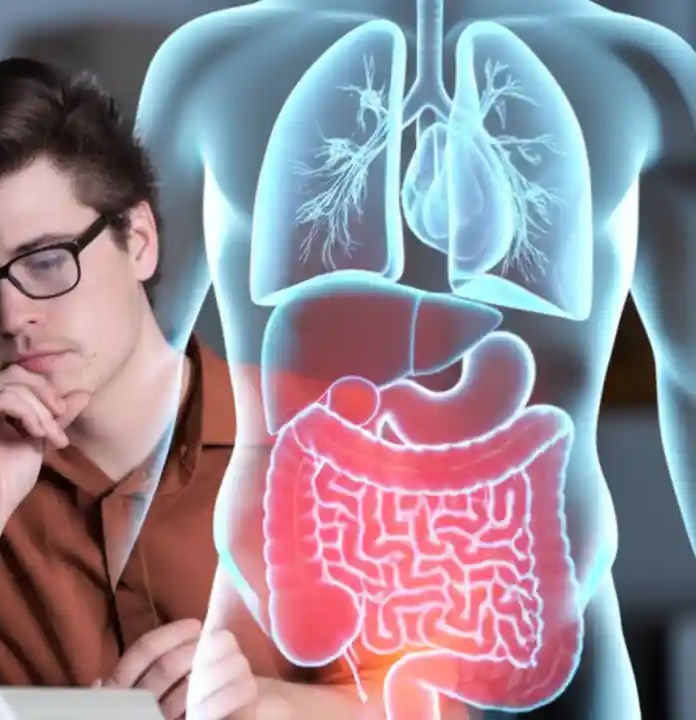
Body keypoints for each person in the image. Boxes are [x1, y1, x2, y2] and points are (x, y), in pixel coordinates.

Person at [133, 1, 695, 719]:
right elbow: (131, 381)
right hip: (281, 651)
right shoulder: (207, 65)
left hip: (544, 633)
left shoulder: (644, 72)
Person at [0, 57, 401, 720]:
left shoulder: (337, 441)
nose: (10, 316)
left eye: (46, 260)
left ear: (138, 240)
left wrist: (270, 706)